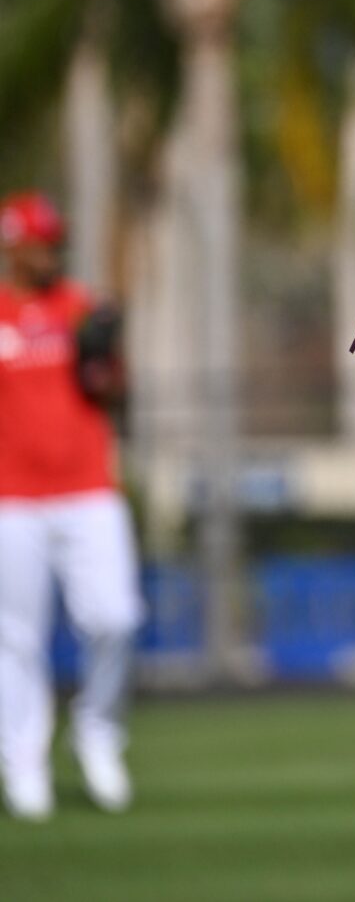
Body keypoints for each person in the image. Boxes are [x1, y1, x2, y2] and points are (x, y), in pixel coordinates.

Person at [0, 191, 143, 820]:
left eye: (56, 240)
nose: (51, 252)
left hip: (87, 488)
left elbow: (114, 395)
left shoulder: (82, 308)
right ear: (13, 247)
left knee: (115, 616)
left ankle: (97, 731)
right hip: (11, 497)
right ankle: (23, 760)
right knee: (14, 639)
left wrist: (106, 365)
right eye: (40, 242)